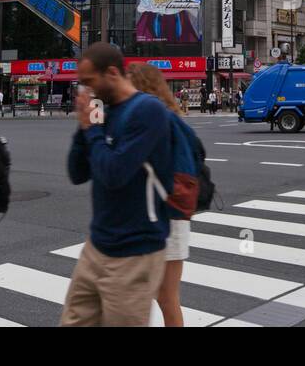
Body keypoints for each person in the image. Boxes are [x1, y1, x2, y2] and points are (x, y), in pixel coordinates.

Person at [62, 44, 175, 327]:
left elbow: (114, 173)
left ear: (112, 73)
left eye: (89, 82)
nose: (85, 90)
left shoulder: (147, 111)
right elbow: (77, 173)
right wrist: (83, 127)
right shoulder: (103, 112)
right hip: (97, 245)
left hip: (135, 251)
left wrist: (93, 130)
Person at [127, 62, 201, 328]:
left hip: (163, 214)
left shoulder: (152, 118)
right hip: (176, 213)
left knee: (157, 297)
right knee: (166, 297)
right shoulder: (172, 117)